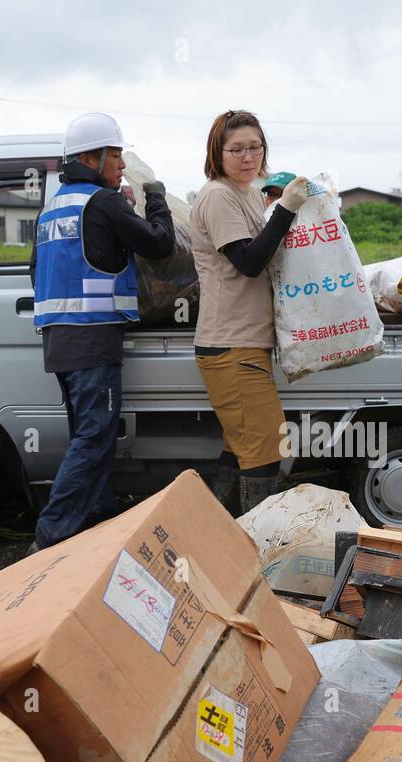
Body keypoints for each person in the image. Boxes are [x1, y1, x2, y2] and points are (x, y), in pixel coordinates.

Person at [28, 112, 175, 552]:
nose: (122, 165)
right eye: (116, 156)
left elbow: (38, 272)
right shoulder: (103, 203)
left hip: (59, 339)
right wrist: (157, 200)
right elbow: (160, 244)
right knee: (95, 437)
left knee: (89, 436)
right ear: (91, 159)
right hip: (93, 338)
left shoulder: (53, 206)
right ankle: (50, 536)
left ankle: (97, 518)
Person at [190, 110, 309, 515]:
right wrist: (286, 210)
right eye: (236, 149)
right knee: (266, 453)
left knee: (242, 447)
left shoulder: (247, 193)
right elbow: (249, 261)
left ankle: (210, 534)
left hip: (245, 345)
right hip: (231, 346)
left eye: (255, 147)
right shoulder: (219, 195)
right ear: (217, 153)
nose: (247, 157)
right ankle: (255, 547)